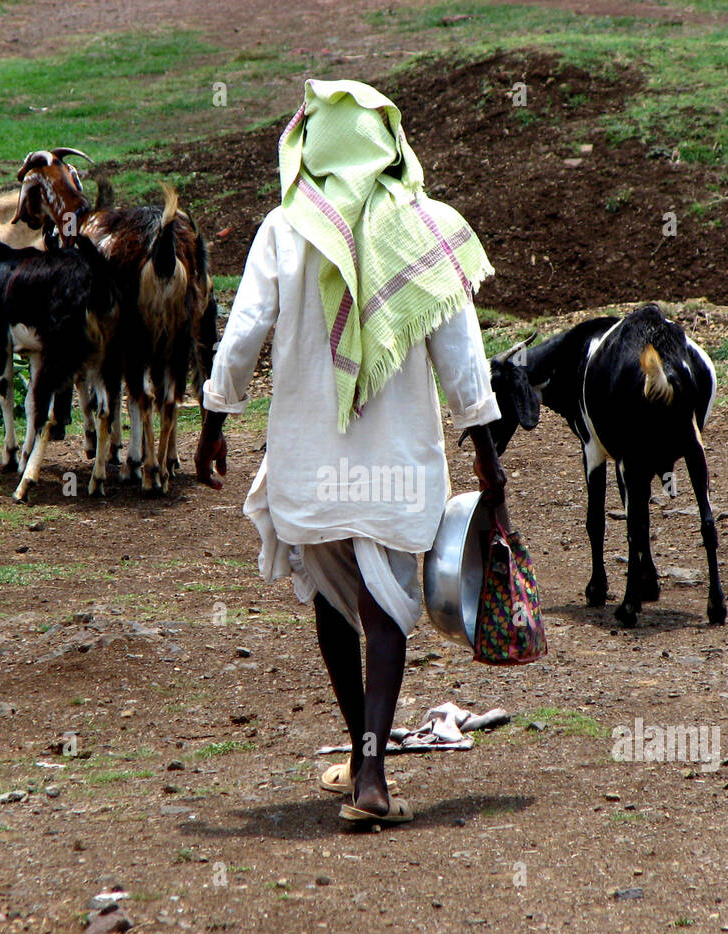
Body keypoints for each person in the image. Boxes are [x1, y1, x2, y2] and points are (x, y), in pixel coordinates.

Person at [194, 79, 507, 826]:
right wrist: (487, 451)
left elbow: (243, 335)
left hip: (311, 454)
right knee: (384, 607)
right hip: (395, 460)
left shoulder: (283, 228)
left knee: (335, 599)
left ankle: (364, 752)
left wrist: (215, 416)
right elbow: (463, 356)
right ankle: (371, 771)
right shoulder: (425, 228)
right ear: (389, 144)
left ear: (310, 146)